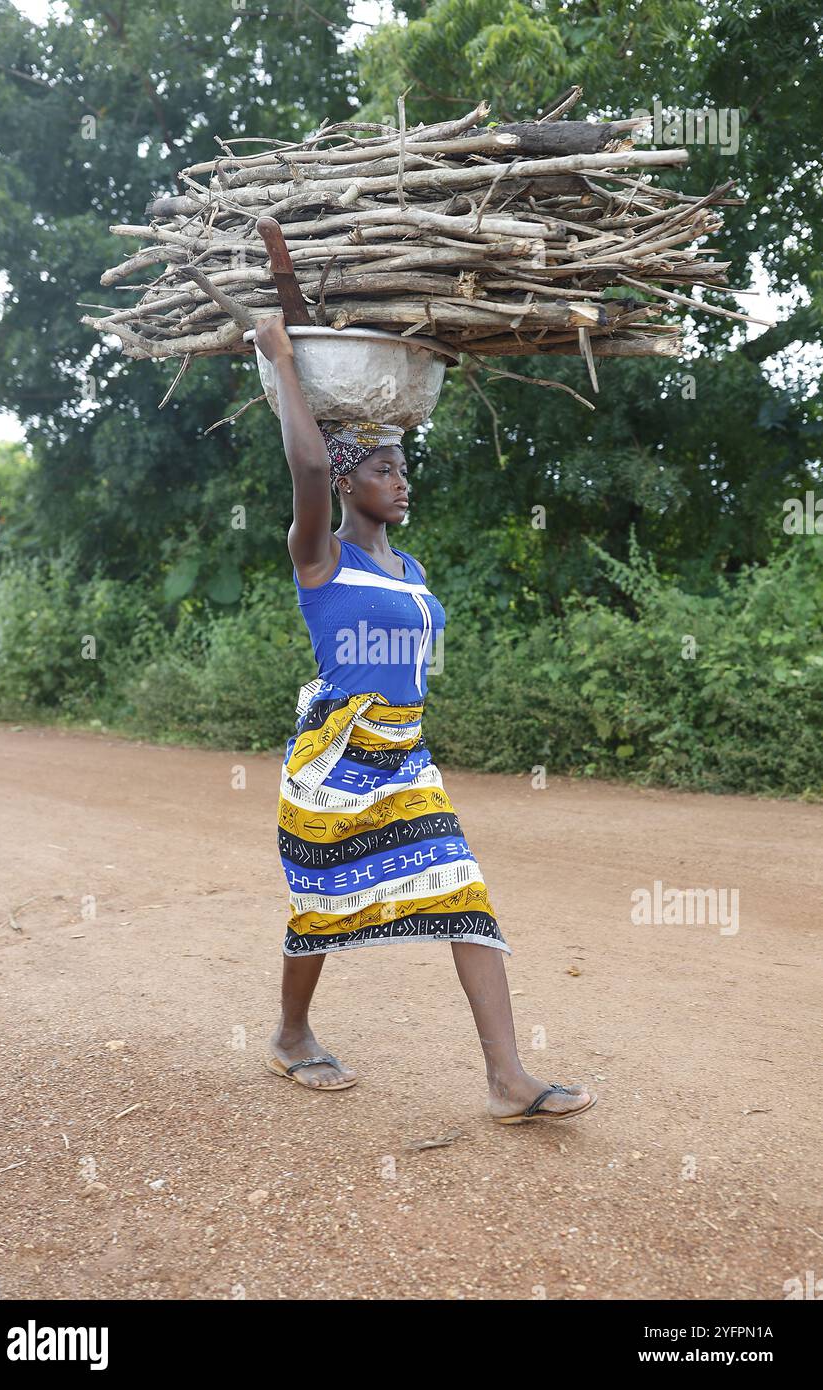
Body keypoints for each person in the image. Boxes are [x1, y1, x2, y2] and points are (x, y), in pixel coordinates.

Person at [254, 313, 596, 1125]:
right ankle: (291, 1033)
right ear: (344, 482)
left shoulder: (407, 567)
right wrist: (280, 361)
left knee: (462, 888)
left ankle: (507, 1079)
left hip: (404, 756)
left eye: (404, 466)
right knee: (323, 907)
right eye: (383, 468)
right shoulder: (318, 555)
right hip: (336, 762)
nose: (402, 482)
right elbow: (305, 457)